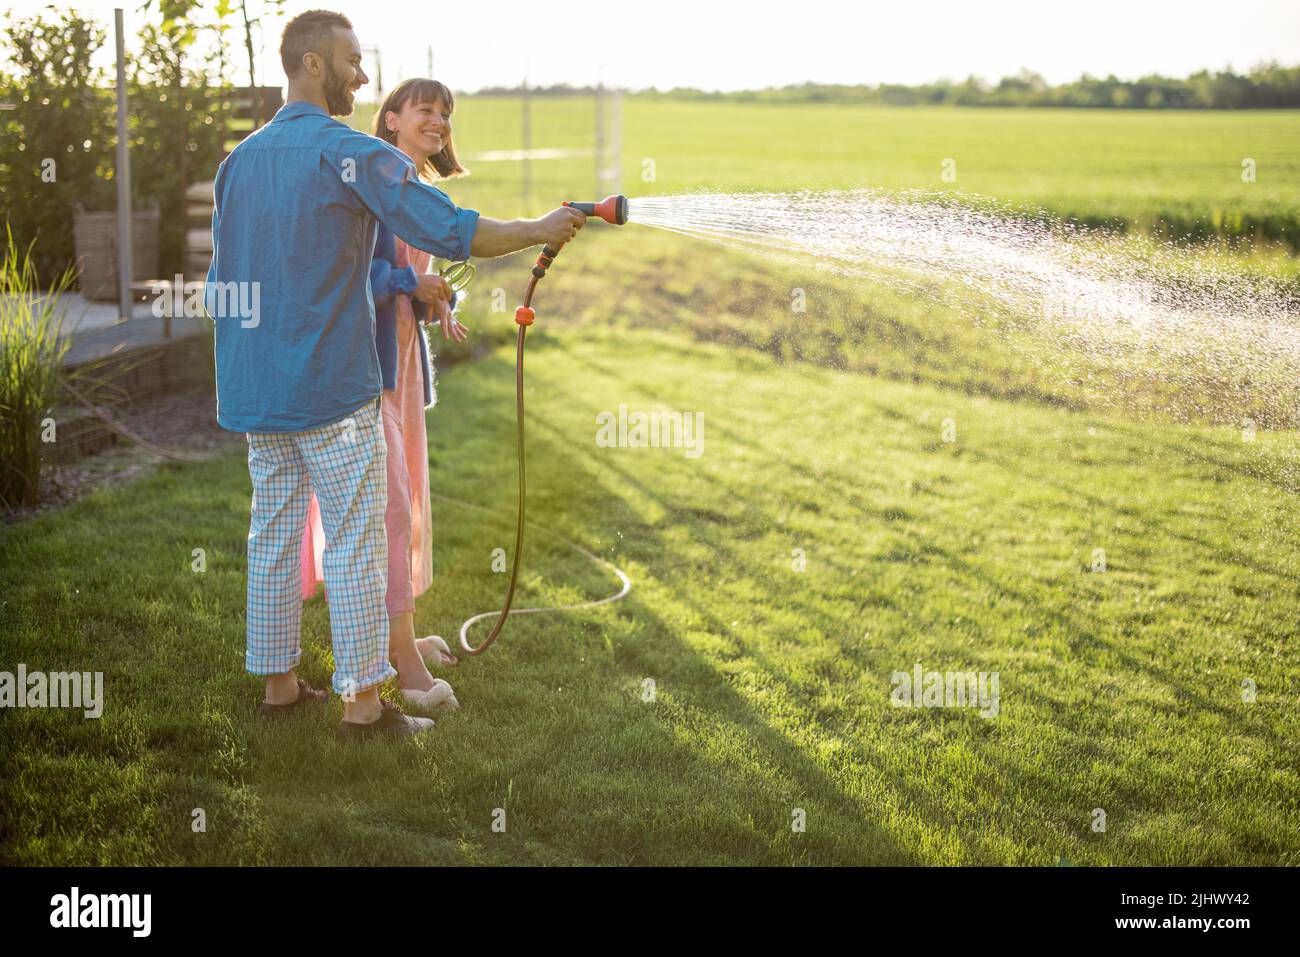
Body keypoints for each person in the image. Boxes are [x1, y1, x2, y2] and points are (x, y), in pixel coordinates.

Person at [205, 9, 584, 739]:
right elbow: (446, 226)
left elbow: (223, 284)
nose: (363, 75)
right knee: (352, 541)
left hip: (260, 395)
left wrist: (250, 367)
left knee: (276, 534)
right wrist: (538, 227)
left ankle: (281, 688)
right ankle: (364, 707)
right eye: (351, 60)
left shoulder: (238, 161)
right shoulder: (349, 151)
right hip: (334, 387)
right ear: (312, 64)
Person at [299, 77, 471, 713]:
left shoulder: (415, 188)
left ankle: (401, 633)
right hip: (367, 372)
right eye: (425, 109)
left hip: (402, 370)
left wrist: (435, 299)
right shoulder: (373, 184)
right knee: (389, 511)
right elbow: (355, 275)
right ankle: (400, 662)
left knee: (407, 503)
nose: (438, 120)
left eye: (445, 113)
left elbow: (418, 279)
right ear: (392, 118)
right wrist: (410, 282)